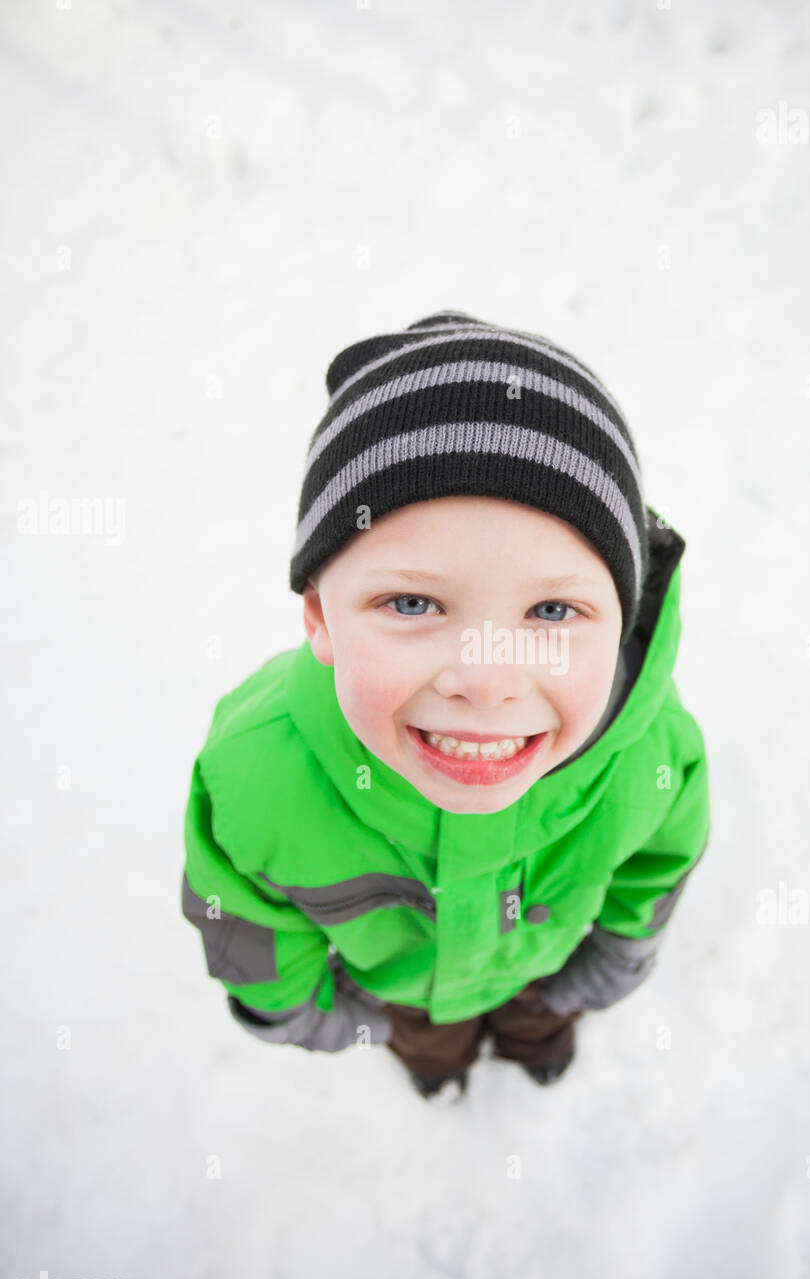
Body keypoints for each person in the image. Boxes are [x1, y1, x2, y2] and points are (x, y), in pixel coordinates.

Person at [179, 308, 710, 1104]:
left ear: (623, 617)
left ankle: (540, 1047)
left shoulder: (655, 754)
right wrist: (329, 1018)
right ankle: (440, 1068)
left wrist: (603, 972)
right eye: (414, 605)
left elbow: (656, 868)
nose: (488, 680)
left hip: (543, 974)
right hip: (402, 999)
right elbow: (248, 927)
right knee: (430, 1046)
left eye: (552, 613)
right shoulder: (257, 772)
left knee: (541, 1023)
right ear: (321, 618)